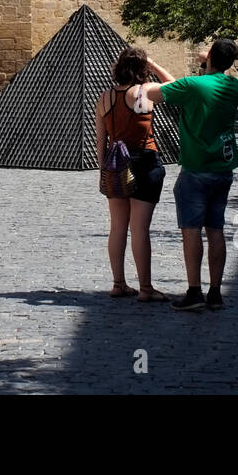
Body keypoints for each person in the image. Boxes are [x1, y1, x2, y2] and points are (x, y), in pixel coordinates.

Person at [146, 39, 238, 312]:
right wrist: (155, 66)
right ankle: (215, 292)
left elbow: (156, 94)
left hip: (196, 168)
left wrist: (148, 77)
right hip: (222, 168)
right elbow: (189, 80)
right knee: (216, 230)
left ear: (210, 57)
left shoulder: (194, 86)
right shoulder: (231, 86)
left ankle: (194, 290)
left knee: (191, 231)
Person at [94, 47, 167, 303]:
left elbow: (100, 142)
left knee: (117, 228)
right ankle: (146, 288)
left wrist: (104, 172)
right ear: (141, 69)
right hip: (144, 161)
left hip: (116, 164)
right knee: (139, 229)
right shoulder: (144, 92)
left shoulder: (104, 98)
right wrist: (154, 63)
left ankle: (118, 283)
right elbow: (175, 85)